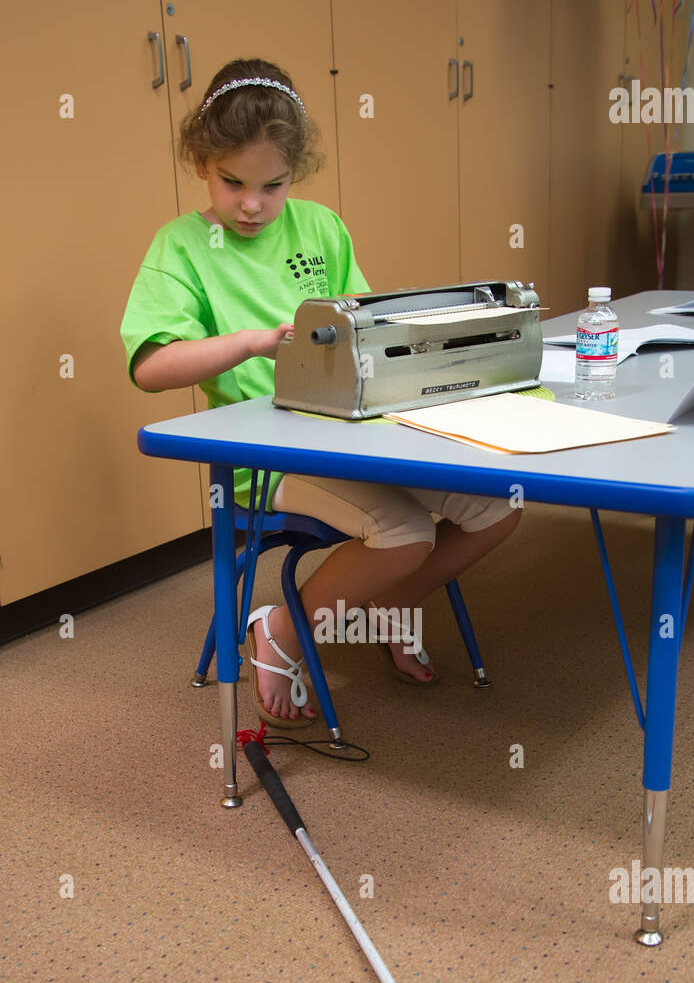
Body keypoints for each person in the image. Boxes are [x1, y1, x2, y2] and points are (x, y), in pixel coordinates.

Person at [121, 57, 521, 727]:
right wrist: (248, 341)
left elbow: (362, 323)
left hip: (352, 433)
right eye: (232, 182)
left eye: (272, 186)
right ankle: (282, 626)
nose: (252, 204)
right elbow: (151, 367)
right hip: (264, 457)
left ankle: (390, 603)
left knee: (499, 506)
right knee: (405, 531)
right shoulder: (182, 246)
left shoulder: (321, 228)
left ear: (295, 173)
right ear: (199, 161)